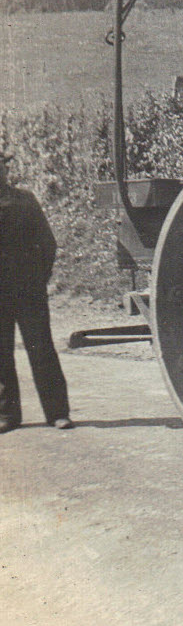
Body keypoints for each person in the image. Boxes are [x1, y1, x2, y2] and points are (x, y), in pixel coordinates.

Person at [0, 151, 72, 432]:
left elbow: (48, 243)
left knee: (41, 349)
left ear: (6, 171)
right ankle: (6, 415)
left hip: (28, 290)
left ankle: (57, 413)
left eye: (1, 167)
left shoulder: (25, 201)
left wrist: (40, 278)